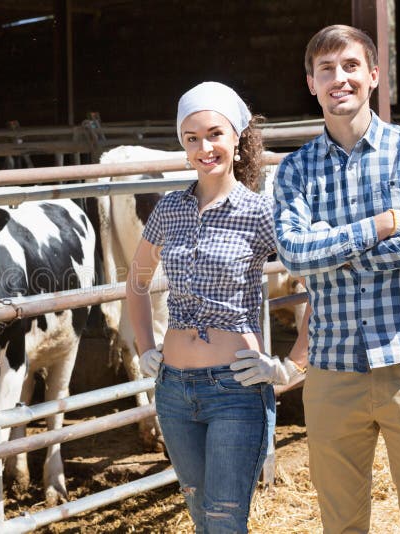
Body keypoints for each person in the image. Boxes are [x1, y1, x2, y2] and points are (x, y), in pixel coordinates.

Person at [273, 25, 400, 533]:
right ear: (311, 82)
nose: (340, 79)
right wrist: (376, 228)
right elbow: (294, 253)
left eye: (351, 66)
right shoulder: (294, 171)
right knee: (342, 524)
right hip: (332, 372)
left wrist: (337, 252)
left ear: (373, 75)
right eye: (326, 69)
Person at [126, 81, 307, 533]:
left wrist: (289, 368)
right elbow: (136, 283)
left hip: (236, 389)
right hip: (172, 390)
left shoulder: (261, 212)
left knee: (225, 521)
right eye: (191, 139)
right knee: (200, 515)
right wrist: (145, 347)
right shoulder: (169, 209)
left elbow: (318, 287)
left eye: (214, 134)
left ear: (237, 139)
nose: (203, 148)